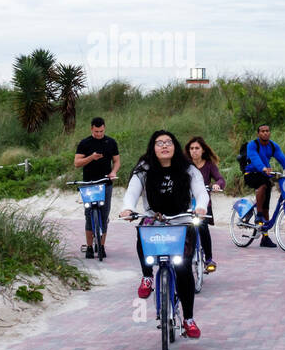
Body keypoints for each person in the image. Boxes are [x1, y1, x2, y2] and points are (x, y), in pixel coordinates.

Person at [119, 130, 210, 338]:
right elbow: (132, 192)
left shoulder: (188, 168)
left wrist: (202, 207)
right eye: (159, 143)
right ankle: (147, 277)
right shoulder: (144, 168)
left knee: (184, 270)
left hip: (182, 220)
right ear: (153, 147)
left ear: (175, 146)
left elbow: (200, 191)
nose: (164, 146)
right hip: (155, 219)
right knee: (143, 228)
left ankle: (188, 319)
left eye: (168, 142)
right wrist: (127, 208)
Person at [73, 117, 119, 258]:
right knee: (88, 216)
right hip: (89, 184)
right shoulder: (85, 143)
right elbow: (77, 163)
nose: (99, 134)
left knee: (104, 216)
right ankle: (89, 247)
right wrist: (91, 158)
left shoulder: (111, 142)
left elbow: (116, 161)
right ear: (91, 129)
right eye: (96, 131)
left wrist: (113, 172)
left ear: (104, 128)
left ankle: (102, 246)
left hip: (106, 183)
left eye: (101, 131)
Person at [242, 123, 285, 248]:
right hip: (251, 173)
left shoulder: (273, 146)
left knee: (267, 207)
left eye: (267, 131)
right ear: (258, 133)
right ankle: (258, 214)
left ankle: (265, 238)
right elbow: (255, 159)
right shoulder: (252, 145)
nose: (265, 133)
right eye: (262, 131)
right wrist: (263, 168)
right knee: (263, 185)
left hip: (265, 175)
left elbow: (283, 159)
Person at [185, 136, 226, 273]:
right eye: (191, 148)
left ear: (203, 150)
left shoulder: (209, 165)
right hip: (186, 205)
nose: (194, 151)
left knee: (203, 228)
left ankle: (208, 259)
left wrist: (216, 185)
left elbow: (220, 179)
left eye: (197, 148)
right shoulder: (184, 164)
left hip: (203, 205)